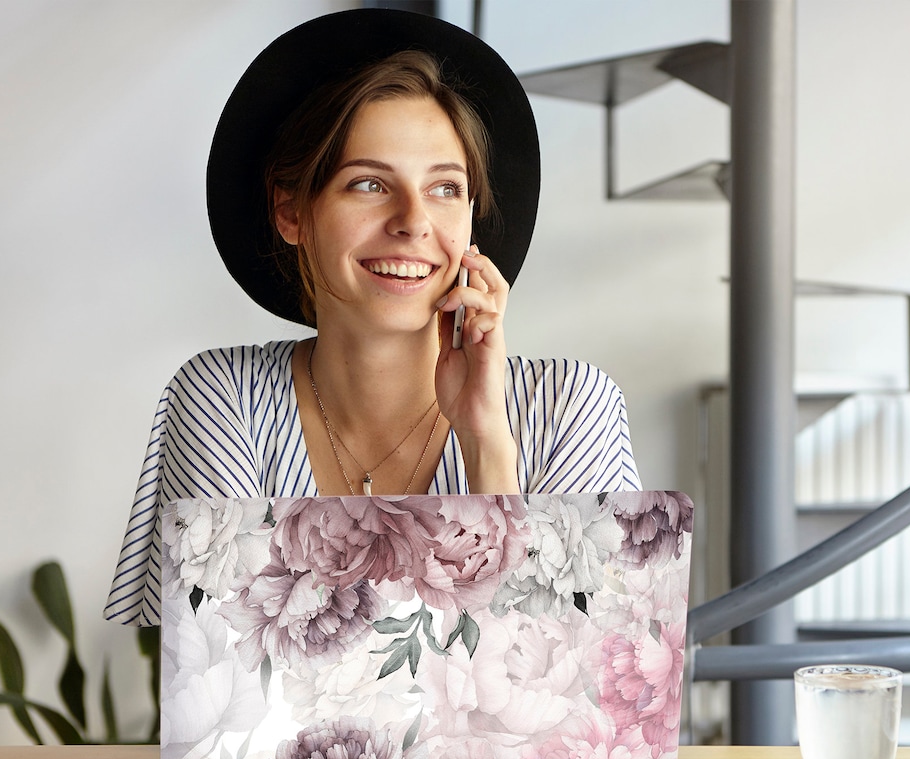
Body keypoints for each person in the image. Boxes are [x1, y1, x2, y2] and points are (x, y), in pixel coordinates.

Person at [104, 9, 640, 627]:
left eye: (445, 188)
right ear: (292, 212)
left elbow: (588, 685)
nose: (414, 221)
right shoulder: (225, 399)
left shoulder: (572, 406)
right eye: (368, 184)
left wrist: (488, 442)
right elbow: (218, 672)